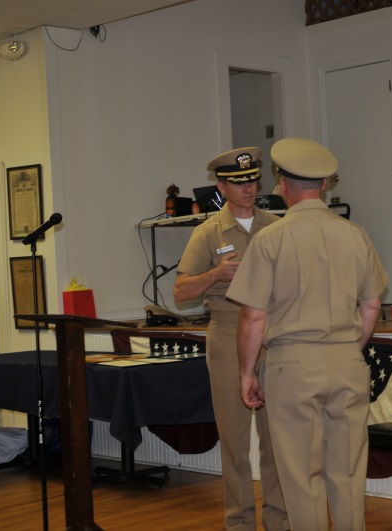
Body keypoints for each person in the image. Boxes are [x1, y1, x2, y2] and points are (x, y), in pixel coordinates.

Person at [227, 137, 388, 531]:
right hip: (348, 362)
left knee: (302, 479)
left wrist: (247, 373)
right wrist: (348, 348)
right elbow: (371, 307)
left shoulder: (271, 238)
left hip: (293, 367)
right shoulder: (357, 235)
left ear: (282, 184)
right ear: (323, 185)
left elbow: (252, 317)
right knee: (348, 477)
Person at [172, 147, 288, 531]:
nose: (249, 189)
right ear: (221, 186)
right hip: (226, 334)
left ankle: (279, 520)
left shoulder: (277, 225)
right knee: (236, 442)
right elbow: (181, 291)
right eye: (239, 183)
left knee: (277, 440)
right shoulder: (208, 232)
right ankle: (238, 523)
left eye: (252, 180)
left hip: (273, 334)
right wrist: (215, 275)